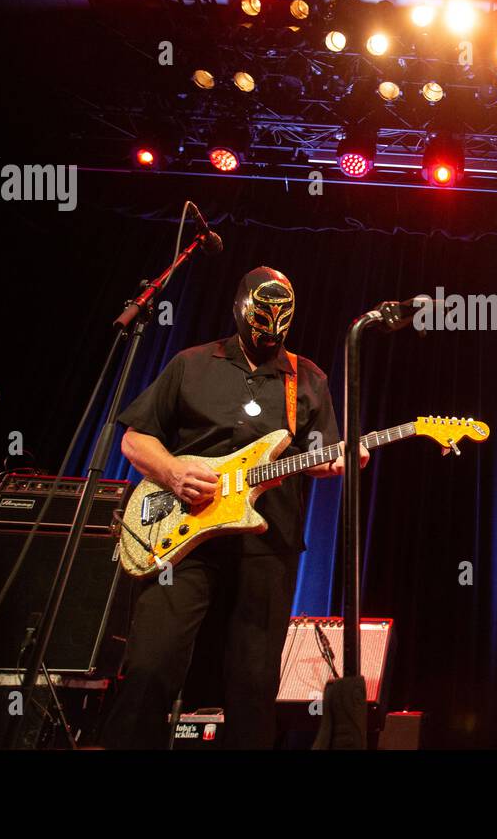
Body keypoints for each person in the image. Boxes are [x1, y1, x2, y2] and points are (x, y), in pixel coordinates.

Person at [100, 266, 366, 749]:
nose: (271, 323)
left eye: (281, 314)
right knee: (150, 667)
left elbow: (322, 457)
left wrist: (341, 459)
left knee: (253, 684)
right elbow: (136, 439)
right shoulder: (192, 363)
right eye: (262, 312)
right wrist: (174, 473)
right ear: (242, 308)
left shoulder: (307, 379)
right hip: (182, 537)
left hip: (267, 544)